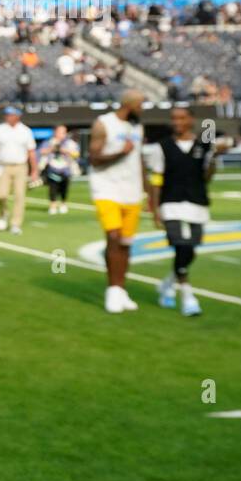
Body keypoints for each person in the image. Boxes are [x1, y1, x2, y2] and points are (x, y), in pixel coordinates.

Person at [145, 107, 216, 317]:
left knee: (191, 249)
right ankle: (188, 296)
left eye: (182, 118)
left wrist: (213, 159)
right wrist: (155, 209)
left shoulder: (204, 145)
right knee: (180, 246)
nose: (177, 122)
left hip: (197, 201)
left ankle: (167, 283)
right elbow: (157, 180)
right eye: (174, 118)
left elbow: (207, 177)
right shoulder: (162, 147)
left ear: (191, 120)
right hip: (171, 202)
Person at [88, 89, 147, 314]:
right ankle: (112, 290)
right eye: (140, 104)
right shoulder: (104, 124)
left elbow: (139, 159)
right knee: (113, 237)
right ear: (129, 104)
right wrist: (121, 153)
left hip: (132, 191)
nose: (142, 109)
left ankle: (122, 290)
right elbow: (94, 159)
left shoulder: (137, 127)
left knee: (125, 243)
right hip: (107, 189)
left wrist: (148, 192)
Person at [0, 106, 37, 234]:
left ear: (17, 116)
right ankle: (3, 214)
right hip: (3, 166)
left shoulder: (26, 131)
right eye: (6, 114)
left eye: (10, 114)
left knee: (19, 196)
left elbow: (31, 152)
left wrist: (34, 170)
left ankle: (16, 223)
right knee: (0, 195)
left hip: (20, 166)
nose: (7, 116)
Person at [37, 124, 80, 215]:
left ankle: (63, 203)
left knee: (64, 188)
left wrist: (65, 151)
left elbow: (76, 154)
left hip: (65, 169)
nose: (62, 134)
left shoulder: (70, 143)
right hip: (52, 169)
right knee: (53, 187)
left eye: (64, 132)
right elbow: (40, 151)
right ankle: (53, 205)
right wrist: (52, 149)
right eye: (60, 132)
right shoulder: (49, 142)